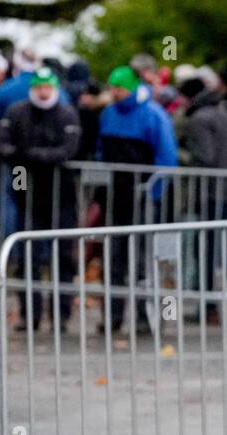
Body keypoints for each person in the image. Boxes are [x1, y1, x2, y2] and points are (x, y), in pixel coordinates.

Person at [0, 67, 81, 330]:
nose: (43, 92)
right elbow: (1, 145)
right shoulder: (17, 112)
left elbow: (67, 150)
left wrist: (31, 156)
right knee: (28, 256)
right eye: (38, 87)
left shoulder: (66, 114)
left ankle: (61, 315)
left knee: (62, 256)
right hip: (26, 194)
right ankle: (29, 314)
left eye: (47, 87)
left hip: (61, 196)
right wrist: (26, 156)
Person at [95, 65, 177, 330]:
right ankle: (113, 315)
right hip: (116, 197)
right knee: (114, 258)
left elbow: (166, 157)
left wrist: (155, 193)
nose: (114, 93)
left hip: (143, 198)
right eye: (112, 88)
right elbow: (100, 151)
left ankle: (146, 317)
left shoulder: (153, 115)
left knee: (144, 260)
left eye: (118, 88)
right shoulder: (108, 114)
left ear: (130, 88)